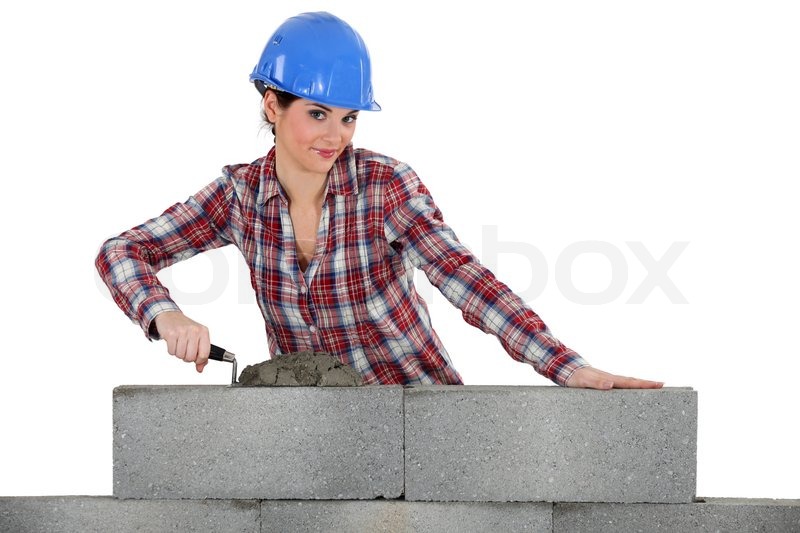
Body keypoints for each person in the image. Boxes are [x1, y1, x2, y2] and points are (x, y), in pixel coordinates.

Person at [95, 11, 662, 390]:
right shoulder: (240, 197)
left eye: (348, 118)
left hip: (423, 418)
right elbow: (121, 253)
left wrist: (566, 368)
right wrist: (163, 315)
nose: (335, 136)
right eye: (317, 114)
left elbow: (466, 279)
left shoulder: (385, 186)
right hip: (324, 440)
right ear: (272, 106)